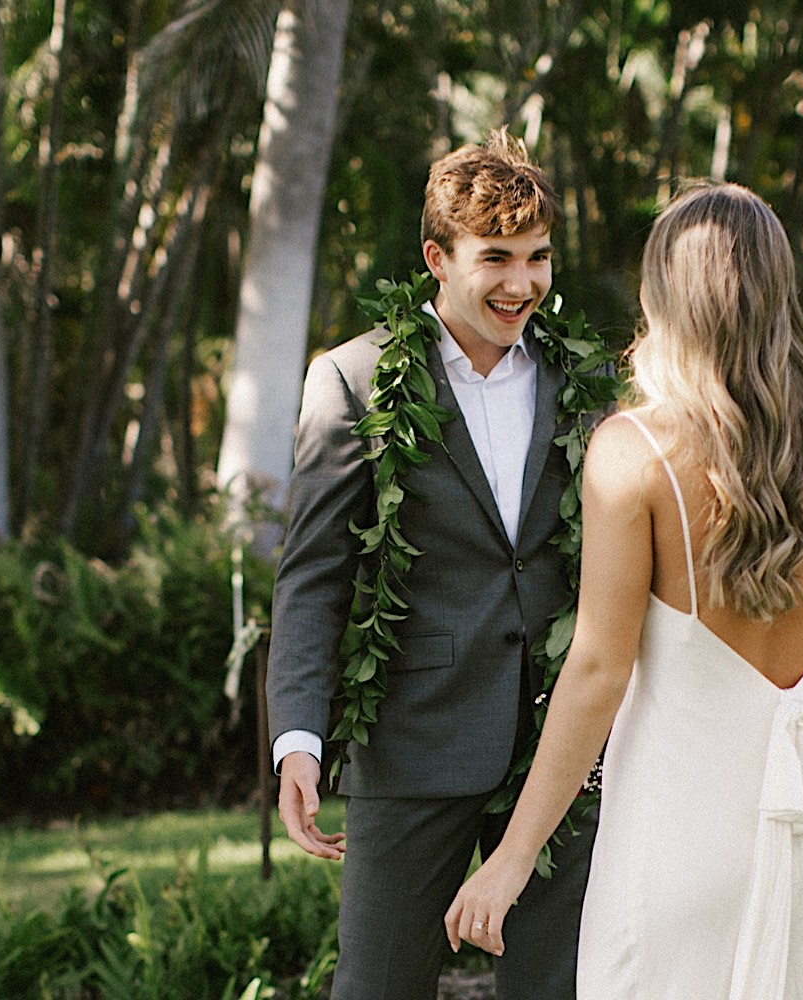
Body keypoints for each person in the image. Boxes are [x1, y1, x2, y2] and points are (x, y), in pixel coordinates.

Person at [445, 182, 803, 998]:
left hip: (679, 850)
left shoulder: (634, 452)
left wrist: (510, 860)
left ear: (666, 297)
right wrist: (770, 730)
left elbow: (598, 671)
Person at [265, 129, 597, 1000]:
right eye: (497, 258)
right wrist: (298, 737)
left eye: (538, 258)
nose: (522, 284)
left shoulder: (582, 382)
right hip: (415, 740)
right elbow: (313, 576)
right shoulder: (352, 381)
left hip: (560, 754)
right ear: (437, 259)